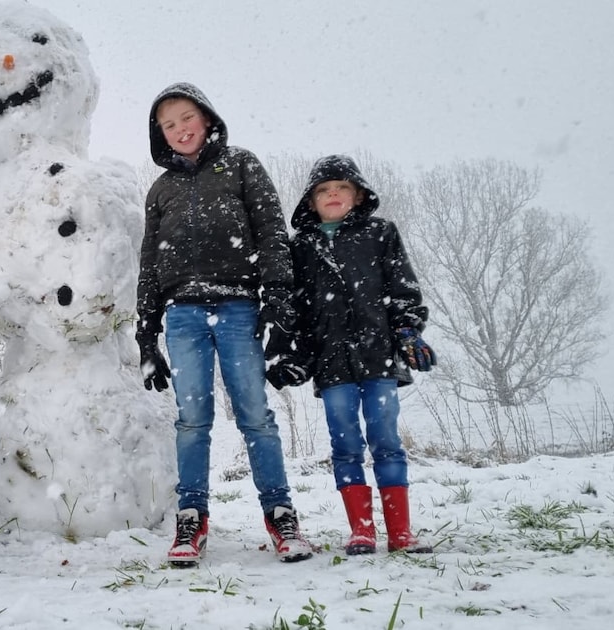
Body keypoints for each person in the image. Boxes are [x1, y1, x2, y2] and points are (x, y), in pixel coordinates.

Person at [136, 82, 313, 566]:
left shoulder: (240, 165)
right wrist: (146, 335)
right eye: (168, 125)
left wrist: (278, 307)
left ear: (207, 119)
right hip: (183, 316)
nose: (179, 129)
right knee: (192, 421)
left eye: (186, 118)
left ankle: (280, 514)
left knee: (256, 416)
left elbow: (273, 234)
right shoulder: (161, 190)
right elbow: (149, 263)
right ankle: (191, 517)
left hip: (238, 309)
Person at [280, 154, 436, 555]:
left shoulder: (380, 234)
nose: (333, 195)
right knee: (345, 444)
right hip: (332, 363)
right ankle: (362, 530)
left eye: (341, 188)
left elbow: (402, 289)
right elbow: (297, 308)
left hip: (379, 355)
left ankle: (401, 532)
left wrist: (407, 331)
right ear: (310, 201)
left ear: (359, 194)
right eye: (323, 190)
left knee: (385, 438)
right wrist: (294, 352)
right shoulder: (302, 247)